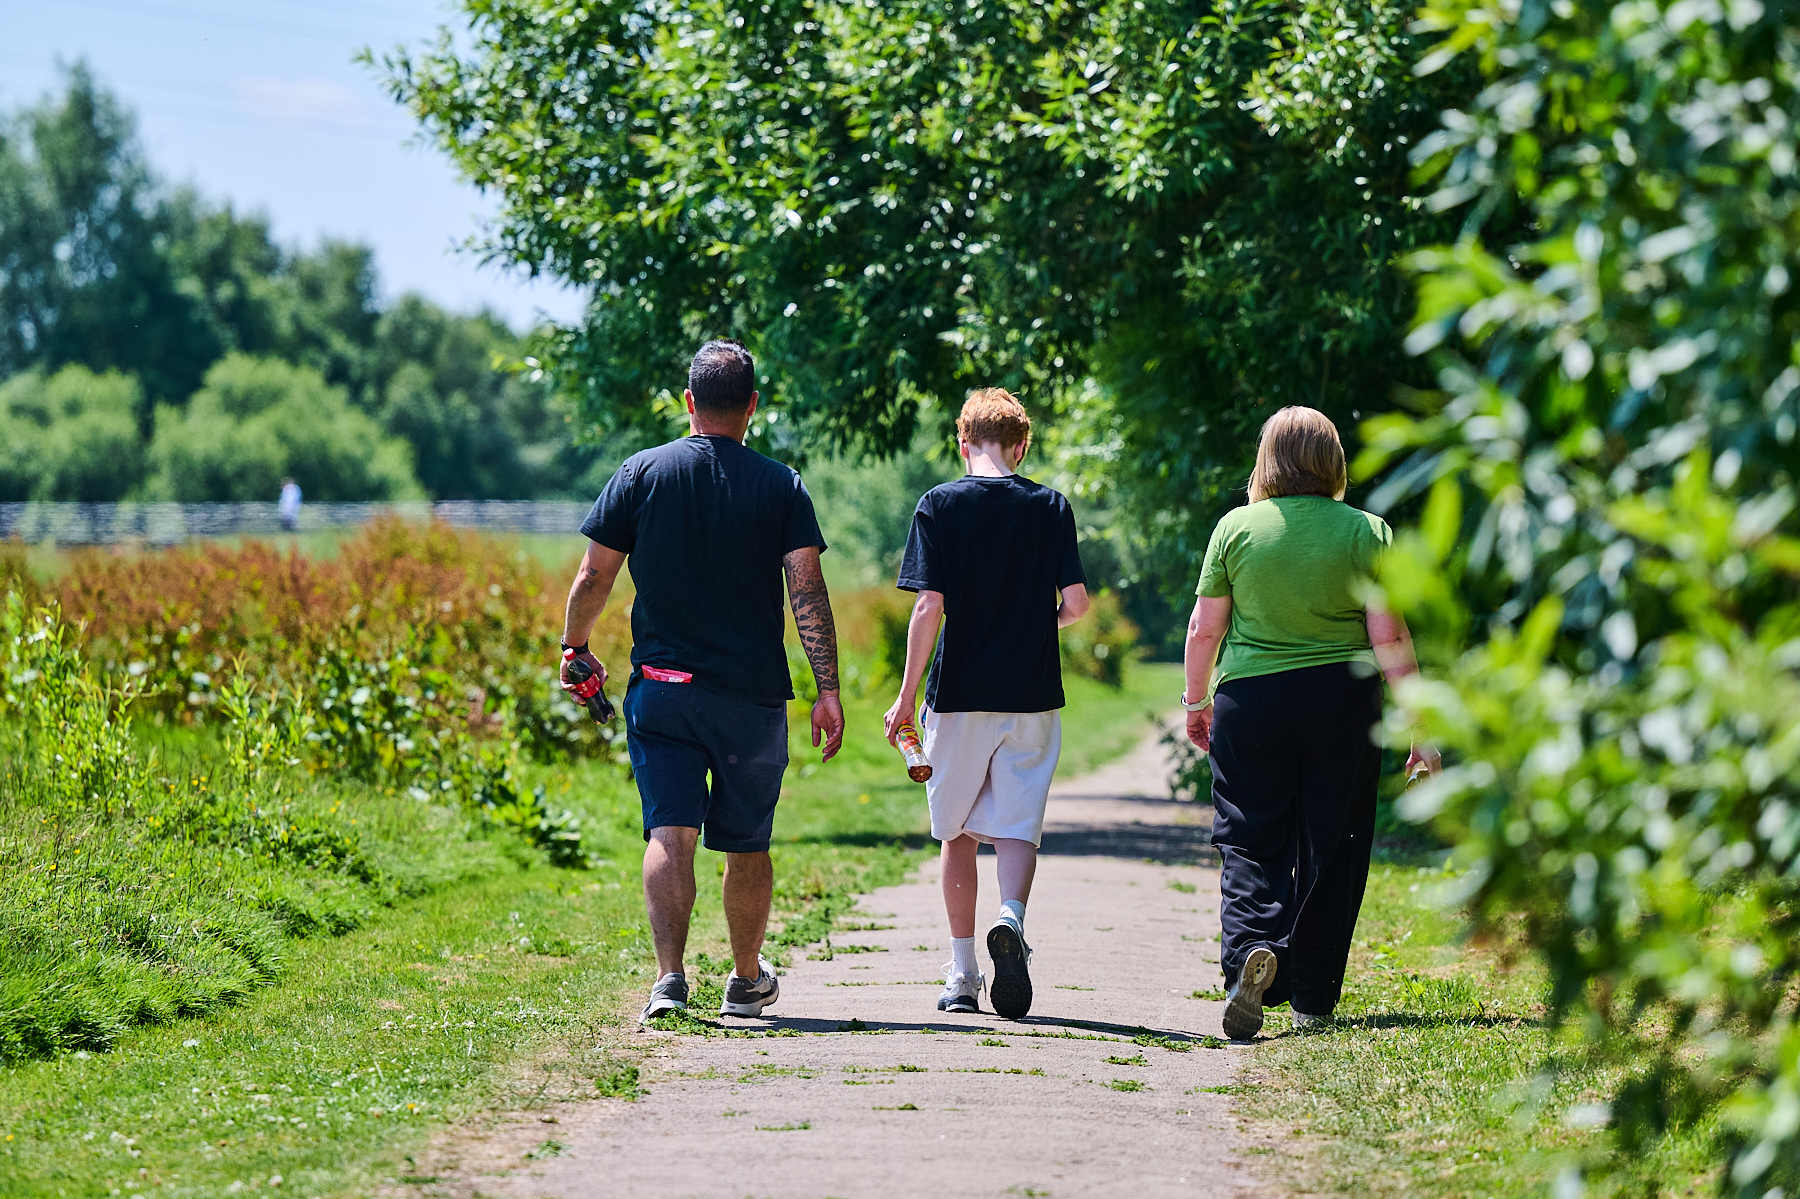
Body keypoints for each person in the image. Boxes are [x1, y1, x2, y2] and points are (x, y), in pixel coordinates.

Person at [559, 338, 845, 1025]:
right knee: (747, 842)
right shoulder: (781, 484)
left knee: (670, 831)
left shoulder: (640, 473)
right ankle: (745, 981)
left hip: (663, 690)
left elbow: (594, 575)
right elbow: (807, 589)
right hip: (750, 698)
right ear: (752, 406)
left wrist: (575, 646)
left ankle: (669, 979)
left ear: (688, 401)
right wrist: (828, 688)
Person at [1182, 406, 1439, 1041]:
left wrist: (1196, 701)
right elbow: (1388, 635)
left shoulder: (1235, 528)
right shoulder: (1367, 532)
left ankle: (1251, 952)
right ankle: (1312, 997)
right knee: (1335, 845)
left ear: (1266, 460)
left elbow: (1204, 629)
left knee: (1248, 837)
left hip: (1251, 701)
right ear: (1334, 462)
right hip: (1342, 702)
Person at [882, 388, 1090, 1019]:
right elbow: (1077, 605)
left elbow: (929, 605)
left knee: (958, 832)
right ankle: (1012, 919)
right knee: (1018, 825)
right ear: (1021, 445)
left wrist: (905, 695)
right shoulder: (1051, 506)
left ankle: (962, 973)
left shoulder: (939, 505)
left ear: (962, 441)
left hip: (960, 695)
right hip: (1032, 695)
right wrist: (1038, 626)